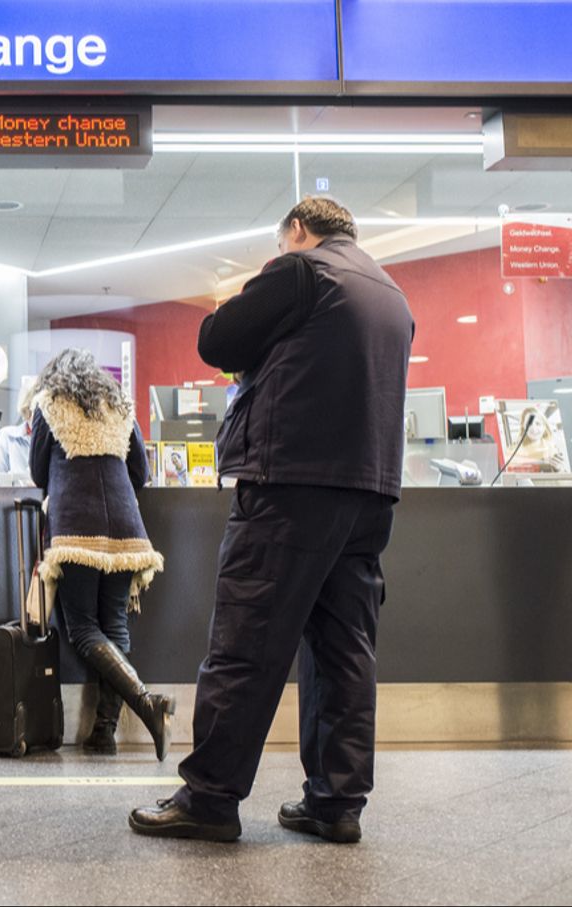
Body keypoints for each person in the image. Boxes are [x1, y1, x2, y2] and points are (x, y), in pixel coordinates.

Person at [130, 197, 414, 843]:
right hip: (370, 493)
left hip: (291, 484)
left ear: (297, 230)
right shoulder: (391, 293)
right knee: (345, 650)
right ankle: (335, 803)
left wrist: (265, 280)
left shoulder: (302, 270)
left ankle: (209, 796)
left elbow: (216, 340)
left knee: (247, 639)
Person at [28, 349, 171, 758]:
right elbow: (140, 473)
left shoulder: (49, 404)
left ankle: (148, 704)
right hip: (126, 529)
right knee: (114, 625)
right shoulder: (119, 405)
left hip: (77, 526)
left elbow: (39, 471)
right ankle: (104, 733)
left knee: (84, 629)